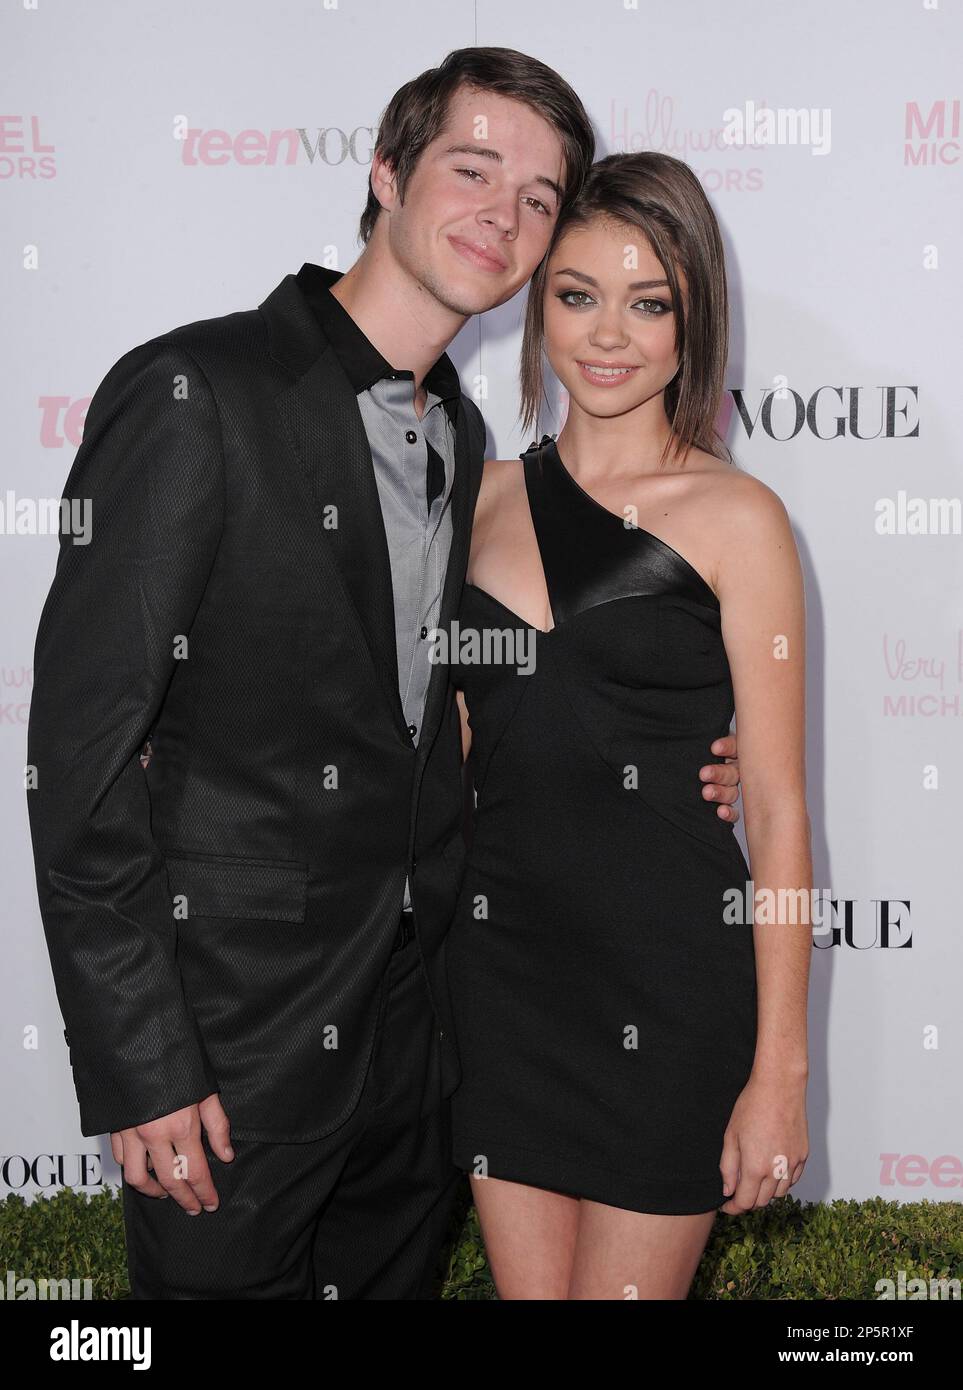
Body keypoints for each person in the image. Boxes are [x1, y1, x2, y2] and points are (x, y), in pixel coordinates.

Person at [25, 52, 742, 1299]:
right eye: (474, 170)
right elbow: (78, 764)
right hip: (231, 1056)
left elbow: (467, 711)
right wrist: (142, 1062)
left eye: (537, 198)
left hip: (426, 1052)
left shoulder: (465, 438)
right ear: (388, 173)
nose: (503, 214)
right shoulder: (201, 391)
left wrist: (703, 767)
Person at [444, 151, 812, 1300]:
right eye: (577, 295)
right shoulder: (473, 498)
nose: (609, 334)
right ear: (536, 305)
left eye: (649, 303)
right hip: (502, 982)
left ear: (693, 321)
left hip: (668, 983)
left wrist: (782, 1071)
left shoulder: (739, 517)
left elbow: (779, 812)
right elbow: (443, 753)